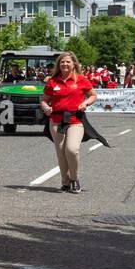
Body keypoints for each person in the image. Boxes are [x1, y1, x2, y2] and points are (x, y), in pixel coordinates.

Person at [39, 51, 99, 193]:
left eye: (68, 62)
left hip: (75, 119)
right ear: (59, 65)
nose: (65, 64)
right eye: (62, 62)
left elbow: (93, 95)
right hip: (56, 121)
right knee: (61, 152)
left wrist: (86, 103)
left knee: (71, 149)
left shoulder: (81, 79)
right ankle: (65, 182)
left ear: (74, 64)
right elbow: (44, 100)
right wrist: (46, 107)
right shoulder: (53, 81)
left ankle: (74, 178)